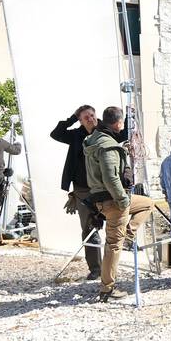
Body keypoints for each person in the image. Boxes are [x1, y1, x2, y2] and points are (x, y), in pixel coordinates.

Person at [85, 106, 154, 302]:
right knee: (113, 245)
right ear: (118, 123)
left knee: (147, 203)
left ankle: (129, 235)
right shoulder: (107, 145)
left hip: (106, 199)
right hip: (114, 200)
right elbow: (110, 177)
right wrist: (122, 200)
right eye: (122, 122)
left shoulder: (96, 139)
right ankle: (107, 289)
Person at [51, 105, 103, 280]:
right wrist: (72, 118)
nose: (90, 118)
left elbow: (124, 133)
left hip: (105, 187)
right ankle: (96, 268)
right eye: (85, 117)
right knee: (89, 228)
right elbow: (56, 133)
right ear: (80, 120)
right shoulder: (75, 136)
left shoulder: (106, 131)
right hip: (83, 189)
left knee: (114, 225)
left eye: (91, 115)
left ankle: (111, 266)